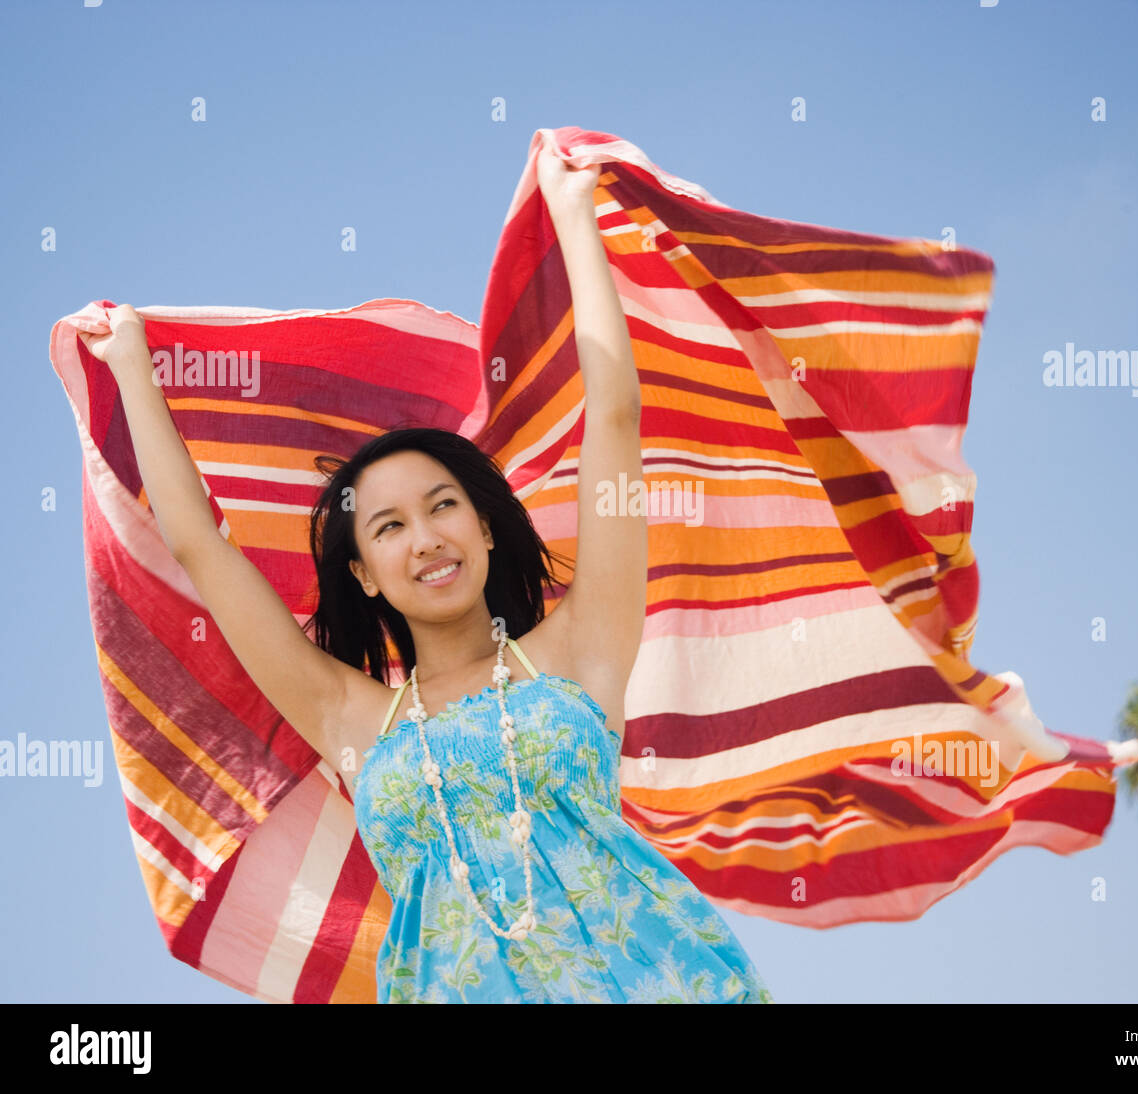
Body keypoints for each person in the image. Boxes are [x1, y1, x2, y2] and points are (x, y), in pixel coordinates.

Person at [76, 136, 774, 1004]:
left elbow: (617, 421)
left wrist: (572, 218)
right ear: (364, 573)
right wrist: (135, 368)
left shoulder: (580, 649)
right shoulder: (349, 715)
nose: (426, 539)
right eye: (390, 526)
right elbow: (198, 547)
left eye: (443, 507)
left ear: (483, 526)